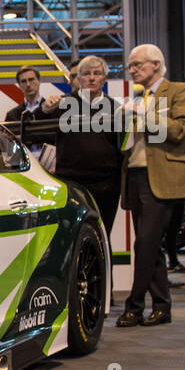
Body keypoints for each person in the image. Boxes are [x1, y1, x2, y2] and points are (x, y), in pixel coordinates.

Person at [115, 43, 185, 328]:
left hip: (163, 177)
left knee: (145, 243)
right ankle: (162, 306)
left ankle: (134, 305)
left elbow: (181, 130)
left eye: (137, 65)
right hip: (135, 176)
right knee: (151, 246)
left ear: (156, 65)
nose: (132, 70)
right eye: (130, 66)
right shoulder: (136, 96)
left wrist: (141, 115)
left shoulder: (180, 90)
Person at [38, 55, 124, 238]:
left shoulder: (116, 108)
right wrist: (44, 109)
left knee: (102, 236)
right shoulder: (62, 104)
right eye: (86, 74)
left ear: (104, 78)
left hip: (106, 186)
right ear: (78, 78)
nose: (91, 78)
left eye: (97, 73)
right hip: (71, 183)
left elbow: (122, 149)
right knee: (69, 236)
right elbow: (37, 125)